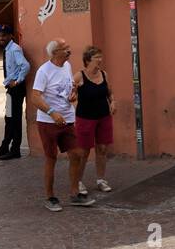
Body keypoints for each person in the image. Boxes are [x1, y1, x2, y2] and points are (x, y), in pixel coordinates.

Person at [29, 38, 93, 211]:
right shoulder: (44, 71)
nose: (69, 50)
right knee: (51, 158)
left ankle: (74, 193)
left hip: (67, 119)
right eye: (65, 48)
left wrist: (72, 95)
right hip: (48, 122)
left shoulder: (67, 66)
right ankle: (50, 197)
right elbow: (35, 96)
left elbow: (67, 89)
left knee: (77, 154)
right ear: (55, 52)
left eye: (68, 47)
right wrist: (52, 113)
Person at [70, 46, 115, 196]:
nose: (100, 60)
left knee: (102, 149)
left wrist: (113, 102)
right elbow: (71, 94)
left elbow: (109, 92)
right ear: (88, 60)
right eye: (97, 58)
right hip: (85, 118)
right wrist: (73, 100)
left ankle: (101, 179)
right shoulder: (79, 76)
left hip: (103, 116)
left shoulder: (104, 74)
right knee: (83, 151)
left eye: (101, 57)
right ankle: (79, 181)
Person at [0, 25, 29, 160]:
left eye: (4, 35)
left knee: (15, 119)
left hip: (16, 89)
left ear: (11, 36)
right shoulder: (8, 49)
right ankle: (5, 146)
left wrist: (17, 81)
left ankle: (15, 149)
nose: (1, 38)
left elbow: (25, 65)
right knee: (9, 117)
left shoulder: (14, 49)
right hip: (11, 89)